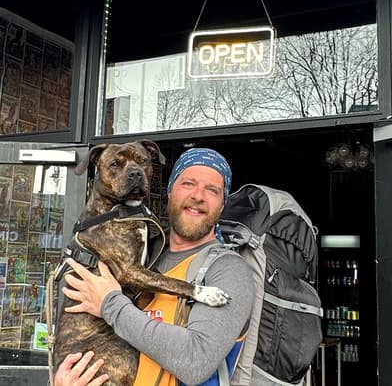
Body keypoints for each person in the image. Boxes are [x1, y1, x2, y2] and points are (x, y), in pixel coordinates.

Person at [62, 148, 255, 386]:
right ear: (169, 192)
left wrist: (109, 304)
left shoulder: (229, 270)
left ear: (223, 204)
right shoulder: (143, 253)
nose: (198, 196)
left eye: (212, 190)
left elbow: (195, 362)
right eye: (188, 183)